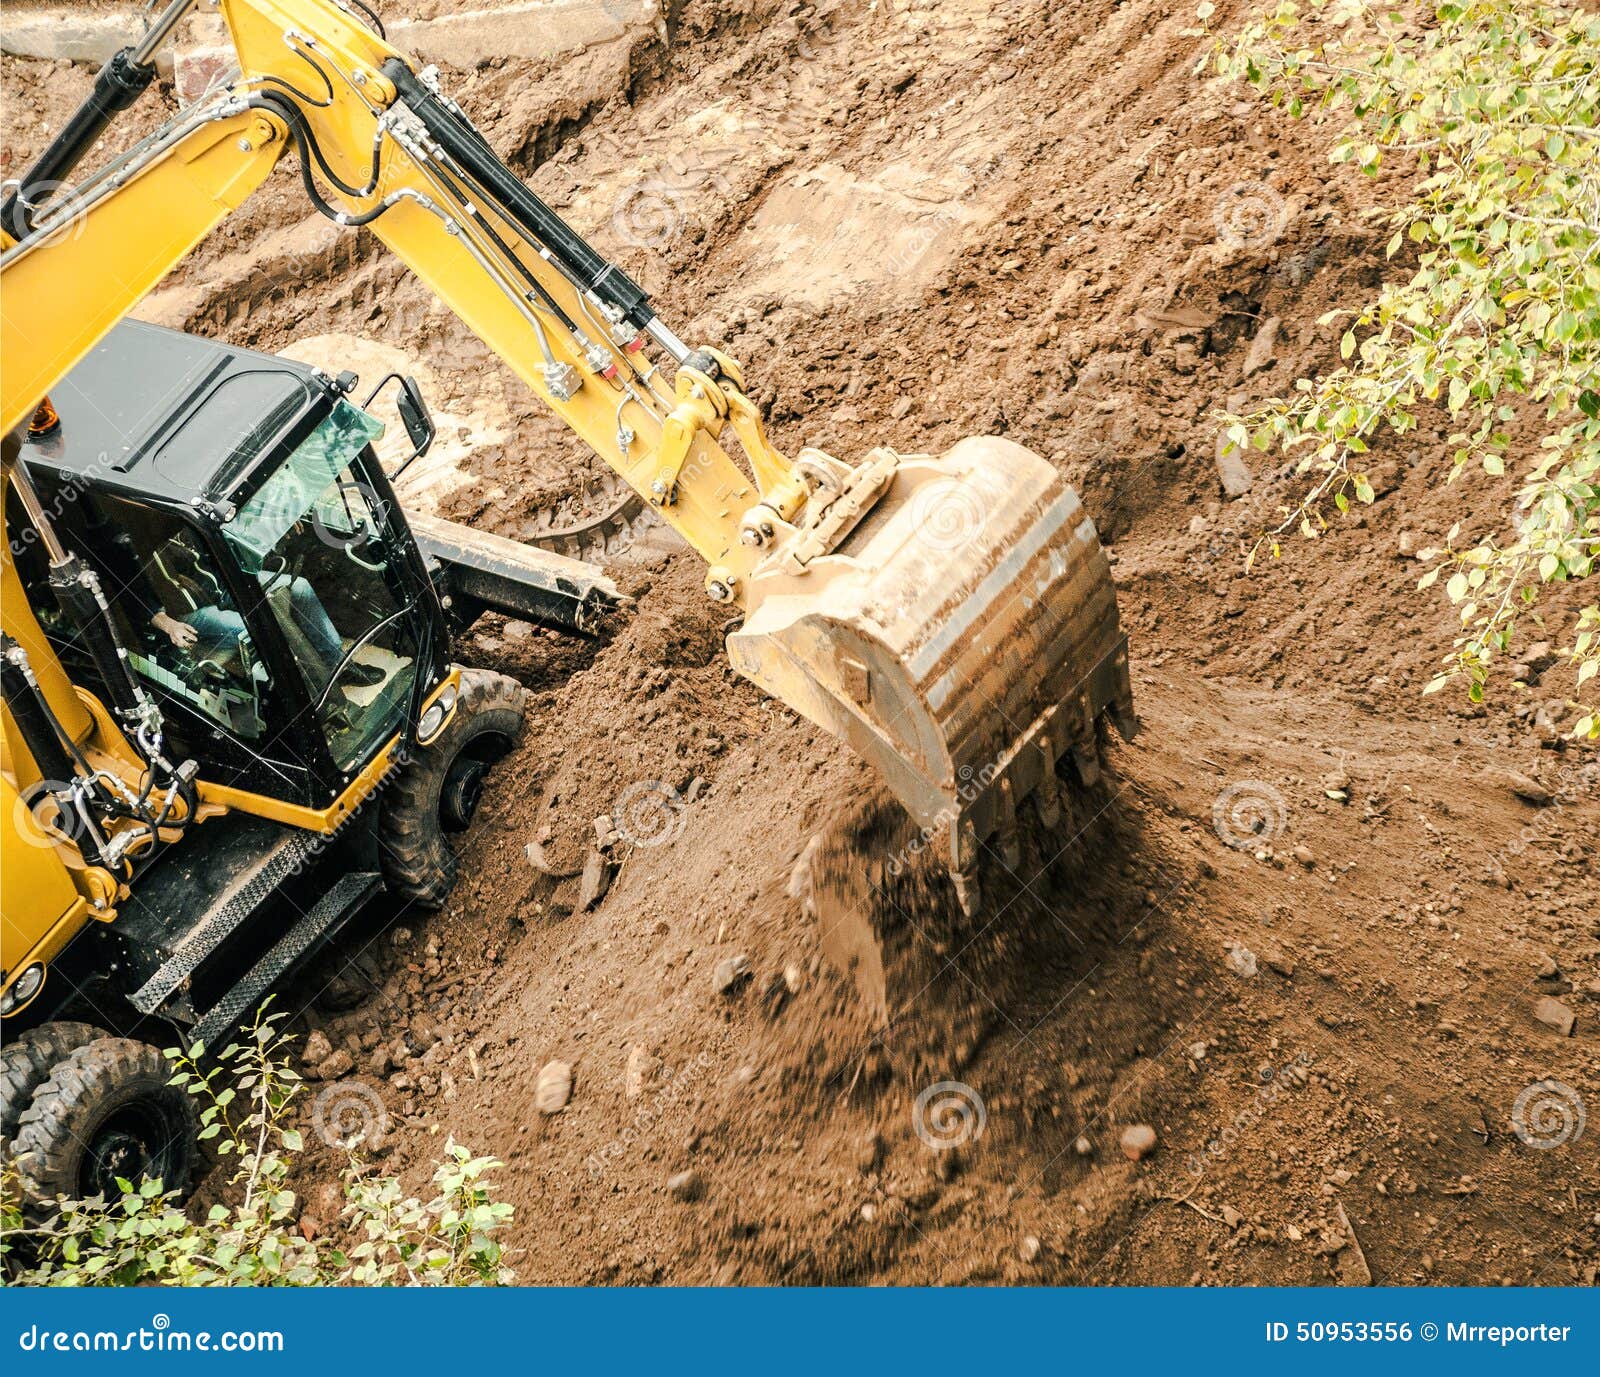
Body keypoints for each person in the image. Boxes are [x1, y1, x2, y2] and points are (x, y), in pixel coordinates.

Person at [146, 530, 383, 689]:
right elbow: (159, 592)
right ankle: (301, 689)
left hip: (228, 584)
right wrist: (169, 623)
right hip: (195, 610)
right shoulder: (151, 544)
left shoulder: (193, 525)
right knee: (249, 627)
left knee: (298, 586)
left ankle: (336, 665)